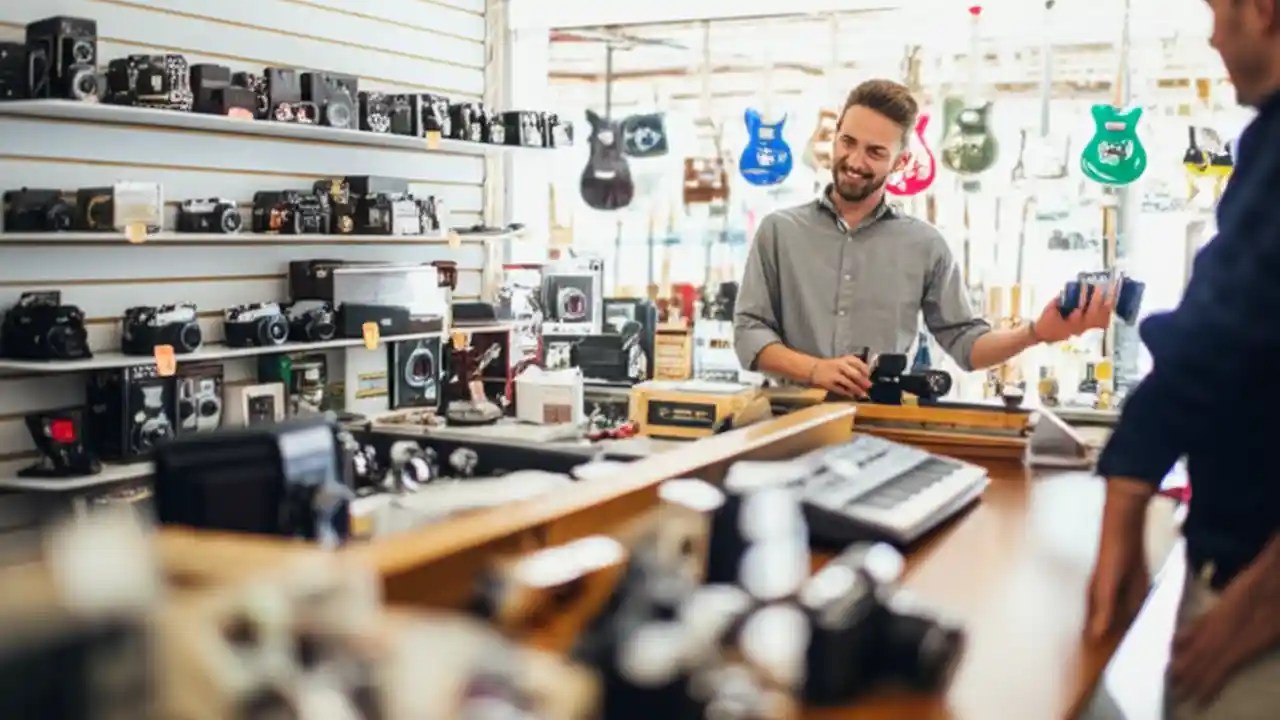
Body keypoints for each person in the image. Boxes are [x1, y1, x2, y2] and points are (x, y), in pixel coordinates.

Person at [1084, 1, 1280, 717]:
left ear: (1260, 10)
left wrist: (1264, 593)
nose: (1212, 34)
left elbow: (1212, 337)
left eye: (1216, 9)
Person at [733, 79, 1112, 396]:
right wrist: (814, 369)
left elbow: (965, 343)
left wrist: (1035, 333)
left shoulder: (926, 246)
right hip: (786, 421)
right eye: (847, 142)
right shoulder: (778, 231)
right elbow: (749, 331)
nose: (854, 161)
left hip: (885, 428)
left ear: (899, 162)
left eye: (875, 152)